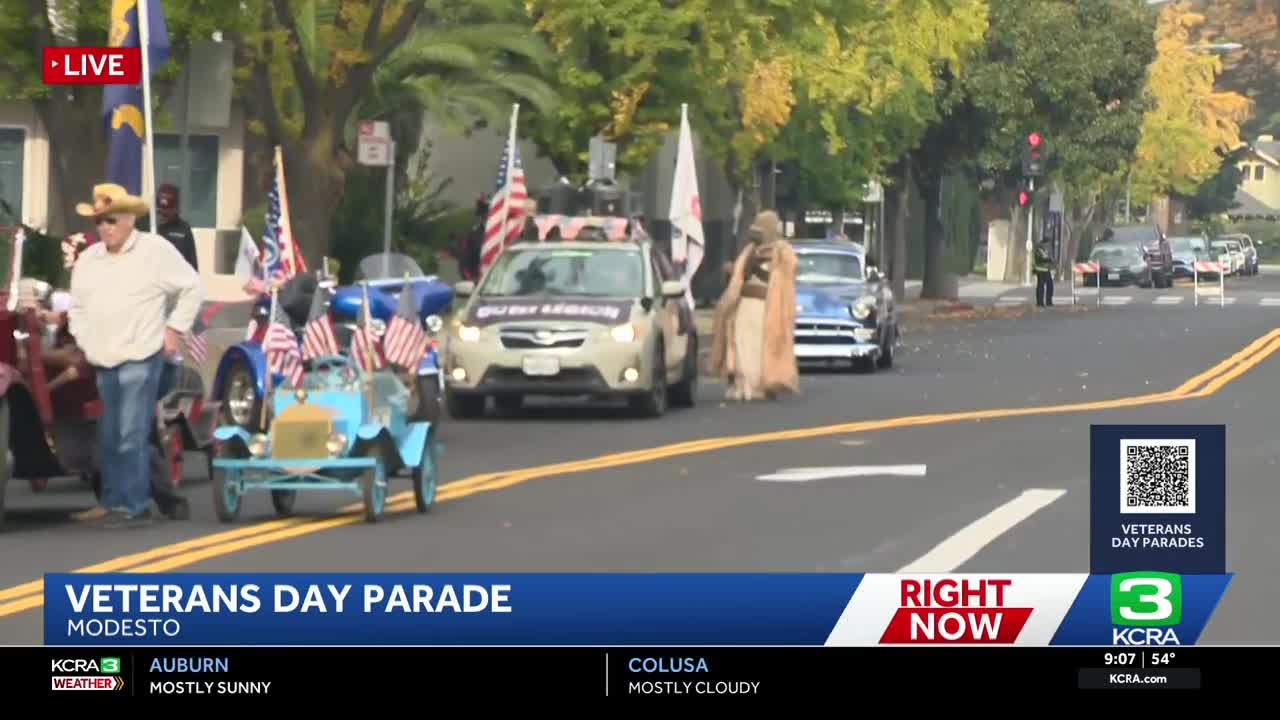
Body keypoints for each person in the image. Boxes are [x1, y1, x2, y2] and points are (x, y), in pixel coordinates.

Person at [67, 183, 203, 528]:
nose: (105, 227)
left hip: (142, 356)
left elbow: (192, 286)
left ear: (130, 219)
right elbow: (77, 309)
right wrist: (87, 341)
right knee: (110, 435)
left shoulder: (155, 250)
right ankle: (118, 501)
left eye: (111, 219)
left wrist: (173, 329)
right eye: (99, 221)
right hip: (103, 359)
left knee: (128, 433)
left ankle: (132, 505)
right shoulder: (89, 260)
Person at [708, 210, 799, 402]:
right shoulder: (749, 251)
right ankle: (742, 384)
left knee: (758, 346)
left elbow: (785, 275)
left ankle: (759, 385)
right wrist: (732, 270)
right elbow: (740, 276)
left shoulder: (782, 251)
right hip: (744, 305)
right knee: (741, 344)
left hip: (764, 307)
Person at [137, 184, 199, 271]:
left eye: (166, 214)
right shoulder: (141, 224)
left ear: (176, 209)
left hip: (172, 279)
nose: (162, 216)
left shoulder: (183, 229)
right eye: (159, 212)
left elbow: (192, 265)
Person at [1034, 242, 1054, 307]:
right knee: (1041, 286)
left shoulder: (1045, 251)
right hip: (1041, 270)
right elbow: (1039, 260)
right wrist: (1048, 260)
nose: (1047, 246)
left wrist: (1050, 261)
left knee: (1049, 286)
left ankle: (1048, 301)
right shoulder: (1039, 251)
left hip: (1046, 270)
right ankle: (1040, 302)